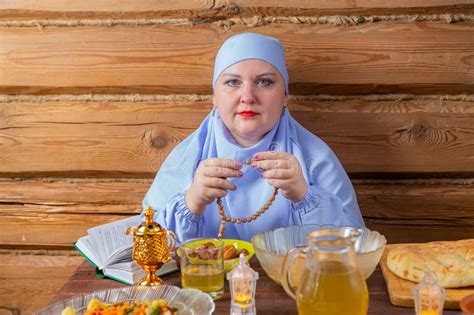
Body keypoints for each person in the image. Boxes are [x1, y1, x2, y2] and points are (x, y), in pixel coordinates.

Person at [143, 32, 365, 243]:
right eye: (232, 82)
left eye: (264, 82)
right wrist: (192, 201)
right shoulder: (187, 158)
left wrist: (306, 197)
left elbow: (357, 246)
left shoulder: (316, 158)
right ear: (214, 97)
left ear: (285, 95)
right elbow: (145, 247)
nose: (248, 97)